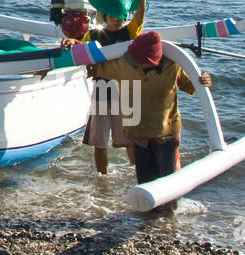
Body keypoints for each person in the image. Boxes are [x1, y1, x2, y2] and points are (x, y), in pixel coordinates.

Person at [85, 29, 212, 199]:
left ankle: (169, 221)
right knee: (145, 186)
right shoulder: (124, 65)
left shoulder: (173, 67)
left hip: (166, 135)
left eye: (137, 61)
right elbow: (93, 65)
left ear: (152, 61)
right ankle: (148, 223)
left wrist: (205, 79)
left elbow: (193, 86)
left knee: (169, 187)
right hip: (139, 136)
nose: (133, 63)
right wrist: (72, 46)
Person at [63, 0, 147, 174]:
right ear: (103, 16)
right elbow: (80, 45)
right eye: (112, 16)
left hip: (129, 91)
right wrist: (69, 42)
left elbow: (142, 10)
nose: (116, 20)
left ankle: (137, 174)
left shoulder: (131, 32)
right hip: (102, 90)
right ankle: (102, 179)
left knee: (131, 140)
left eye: (120, 16)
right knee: (99, 142)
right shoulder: (96, 35)